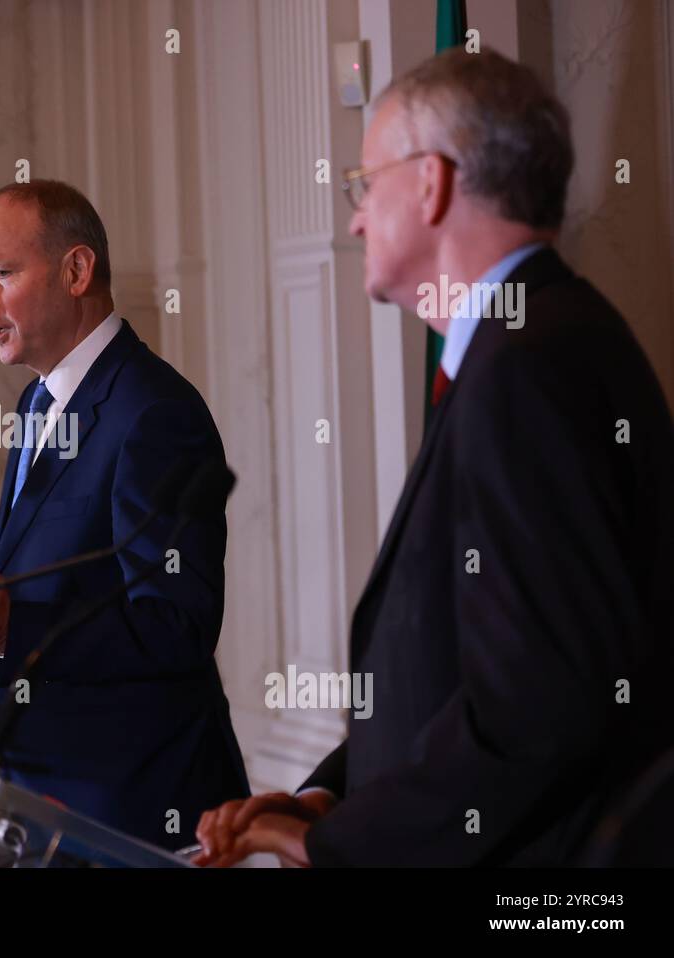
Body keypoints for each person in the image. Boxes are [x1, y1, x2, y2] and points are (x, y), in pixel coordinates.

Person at [194, 48, 674, 867]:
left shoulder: (530, 366)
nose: (353, 218)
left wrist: (335, 845)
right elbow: (473, 669)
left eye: (363, 184)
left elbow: (540, 707)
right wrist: (329, 794)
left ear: (430, 183)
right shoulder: (532, 340)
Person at [0, 180, 249, 852]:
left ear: (76, 270)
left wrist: (7, 625)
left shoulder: (154, 413)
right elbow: (56, 593)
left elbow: (176, 625)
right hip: (48, 799)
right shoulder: (38, 404)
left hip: (137, 808)